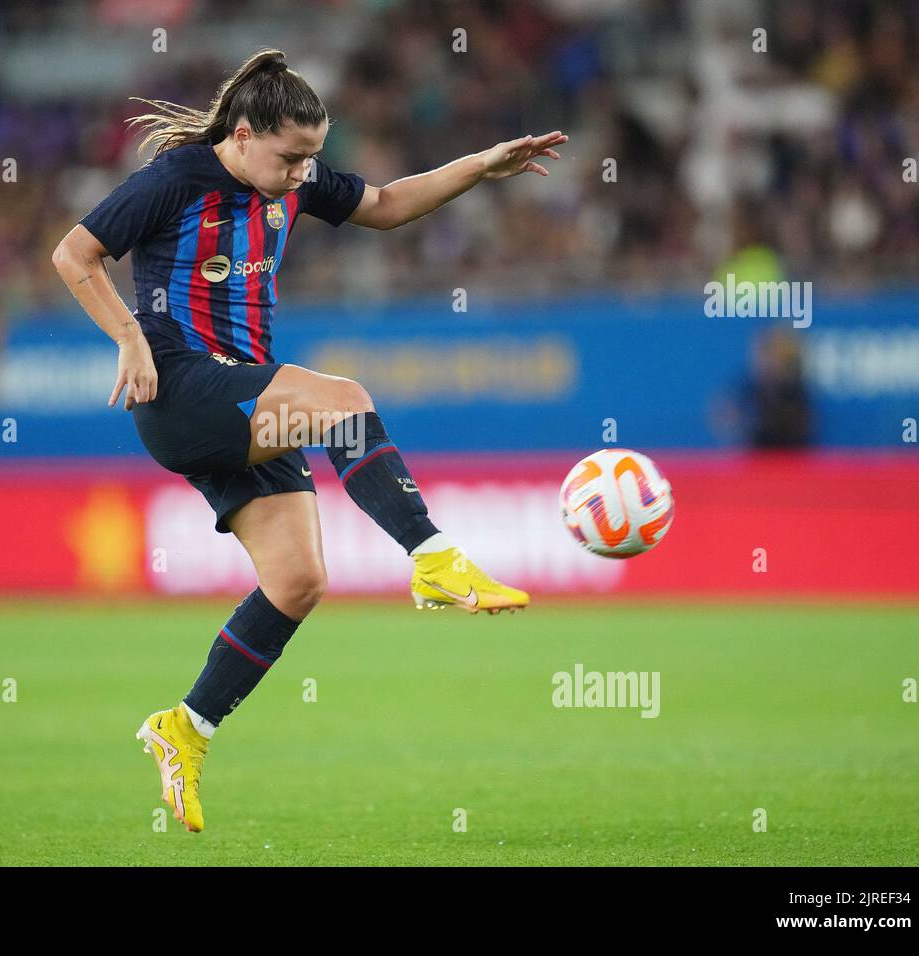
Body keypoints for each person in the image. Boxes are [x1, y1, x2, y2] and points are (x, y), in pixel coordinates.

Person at [52, 48, 567, 832]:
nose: (303, 174)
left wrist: (480, 165)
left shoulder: (290, 175)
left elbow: (388, 204)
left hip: (244, 406)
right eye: (292, 157)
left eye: (313, 158)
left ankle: (185, 729)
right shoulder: (175, 180)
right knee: (344, 400)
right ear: (248, 134)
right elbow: (73, 253)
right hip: (182, 391)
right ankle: (431, 558)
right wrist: (127, 338)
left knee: (297, 582)